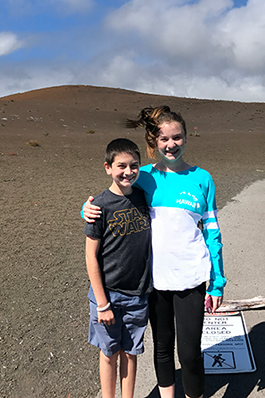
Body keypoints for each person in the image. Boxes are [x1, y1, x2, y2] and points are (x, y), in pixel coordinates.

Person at [83, 106, 225, 398]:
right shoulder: (143, 175)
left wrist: (217, 281)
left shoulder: (203, 179)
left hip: (191, 276)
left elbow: (212, 232)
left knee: (189, 352)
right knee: (162, 349)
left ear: (186, 137)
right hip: (155, 280)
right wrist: (87, 209)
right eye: (164, 139)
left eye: (177, 137)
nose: (171, 144)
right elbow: (113, 198)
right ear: (154, 142)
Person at [84, 138, 153, 398]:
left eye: (134, 165)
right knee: (109, 352)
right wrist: (102, 304)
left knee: (131, 352)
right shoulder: (99, 206)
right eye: (121, 166)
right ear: (108, 168)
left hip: (138, 294)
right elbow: (91, 256)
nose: (128, 171)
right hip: (108, 295)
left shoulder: (144, 197)